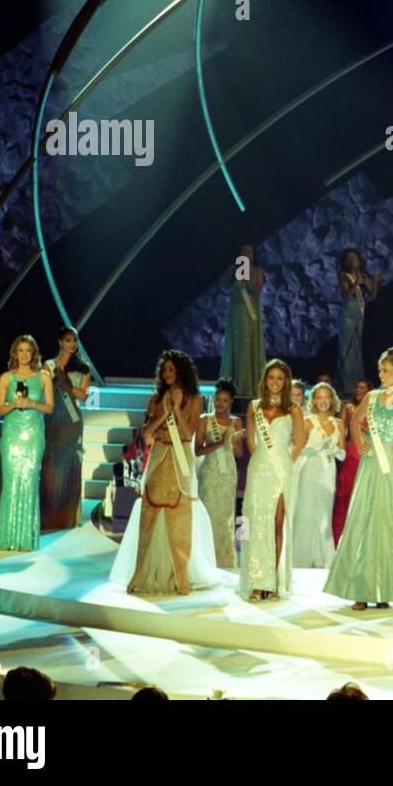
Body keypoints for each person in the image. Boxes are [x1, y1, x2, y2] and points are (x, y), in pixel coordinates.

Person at [326, 347, 393, 608]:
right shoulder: (373, 397)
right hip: (371, 467)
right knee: (365, 522)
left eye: (386, 371)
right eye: (380, 370)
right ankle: (361, 591)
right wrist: (360, 438)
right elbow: (355, 421)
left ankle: (385, 588)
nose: (381, 375)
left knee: (390, 526)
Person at [121, 351, 210, 594]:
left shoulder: (194, 399)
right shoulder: (155, 399)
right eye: (165, 370)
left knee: (178, 514)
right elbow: (147, 433)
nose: (167, 374)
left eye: (172, 369)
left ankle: (178, 574)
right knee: (151, 511)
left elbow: (188, 434)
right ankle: (144, 572)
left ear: (181, 371)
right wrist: (165, 415)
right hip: (159, 457)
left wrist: (178, 412)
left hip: (180, 459)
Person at [0, 335, 53, 551]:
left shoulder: (44, 376)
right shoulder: (6, 378)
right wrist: (13, 404)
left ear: (34, 353)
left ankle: (26, 539)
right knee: (10, 482)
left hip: (34, 434)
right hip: (11, 434)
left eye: (28, 350)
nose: (24, 355)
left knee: (30, 481)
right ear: (14, 353)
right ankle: (8, 539)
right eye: (20, 350)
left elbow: (50, 408)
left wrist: (31, 403)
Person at [40, 326, 89, 530]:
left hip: (72, 419)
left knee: (69, 463)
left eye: (75, 341)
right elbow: (43, 389)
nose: (72, 344)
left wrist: (67, 384)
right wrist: (54, 380)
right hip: (53, 417)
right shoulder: (49, 365)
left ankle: (67, 515)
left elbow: (84, 395)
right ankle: (48, 514)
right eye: (68, 340)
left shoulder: (83, 367)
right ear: (60, 342)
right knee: (51, 463)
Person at [291, 382, 343, 569]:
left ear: (332, 400)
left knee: (324, 514)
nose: (323, 401)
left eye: (326, 397)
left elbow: (343, 454)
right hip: (310, 470)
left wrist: (334, 449)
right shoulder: (308, 421)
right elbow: (299, 449)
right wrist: (316, 448)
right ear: (313, 400)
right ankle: (302, 558)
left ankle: (322, 558)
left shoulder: (339, 423)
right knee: (306, 512)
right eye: (319, 397)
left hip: (328, 471)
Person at [194, 377, 243, 568]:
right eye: (217, 399)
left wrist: (236, 442)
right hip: (209, 473)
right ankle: (204, 561)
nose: (219, 403)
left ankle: (224, 562)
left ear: (231, 401)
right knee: (207, 516)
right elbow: (198, 450)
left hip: (228, 474)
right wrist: (220, 443)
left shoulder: (236, 422)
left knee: (225, 518)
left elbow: (238, 454)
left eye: (224, 400)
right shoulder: (204, 420)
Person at [218, 243, 267, 398]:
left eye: (249, 251)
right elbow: (224, 288)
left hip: (250, 310)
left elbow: (256, 290)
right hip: (236, 311)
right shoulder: (233, 270)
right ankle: (232, 384)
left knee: (248, 345)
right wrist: (236, 277)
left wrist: (246, 280)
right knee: (235, 345)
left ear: (253, 255)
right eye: (243, 251)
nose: (247, 254)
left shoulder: (257, 271)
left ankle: (248, 388)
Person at [332, 378, 370, 544]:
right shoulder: (348, 407)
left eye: (363, 388)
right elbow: (340, 428)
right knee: (346, 492)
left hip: (367, 452)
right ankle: (339, 535)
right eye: (357, 387)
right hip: (351, 451)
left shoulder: (373, 408)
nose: (359, 390)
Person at [338, 248, 380, 393]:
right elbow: (348, 294)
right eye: (348, 258)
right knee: (347, 348)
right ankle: (347, 386)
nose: (351, 260)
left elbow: (372, 295)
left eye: (354, 258)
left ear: (359, 260)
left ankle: (357, 385)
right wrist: (356, 282)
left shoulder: (361, 276)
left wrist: (374, 281)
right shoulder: (344, 275)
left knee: (356, 348)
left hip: (359, 313)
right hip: (348, 313)